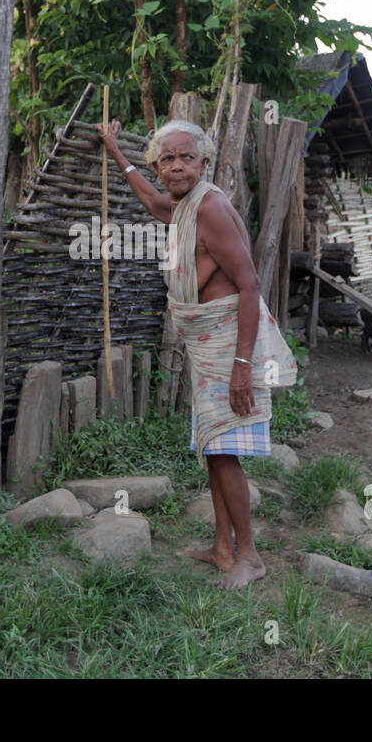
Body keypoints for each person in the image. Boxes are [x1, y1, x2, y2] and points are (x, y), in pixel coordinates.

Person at [100, 116, 296, 588]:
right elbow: (152, 202)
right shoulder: (184, 205)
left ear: (204, 162)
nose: (175, 167)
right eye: (166, 159)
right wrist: (115, 151)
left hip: (229, 346)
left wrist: (242, 366)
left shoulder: (209, 208)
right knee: (214, 448)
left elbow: (250, 286)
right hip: (210, 345)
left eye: (186, 157)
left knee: (225, 452)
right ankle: (223, 547)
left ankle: (250, 556)